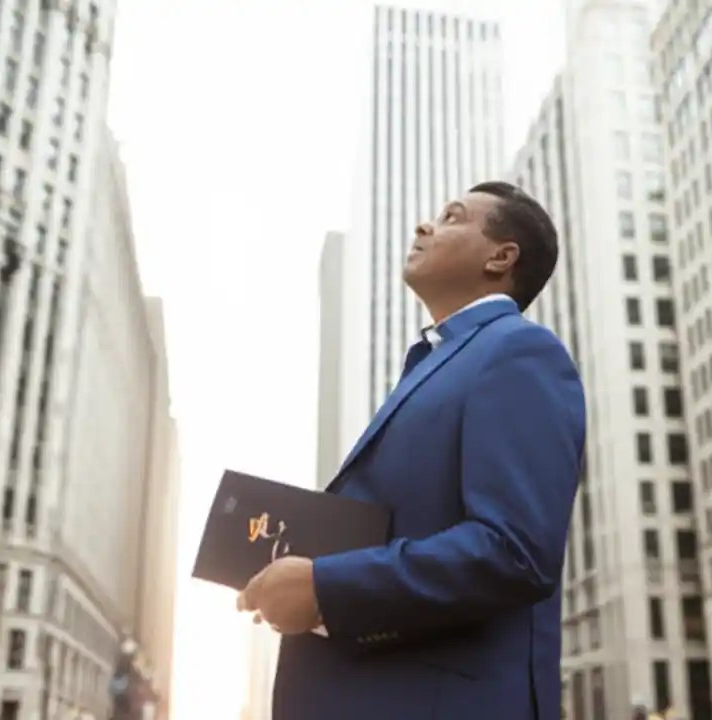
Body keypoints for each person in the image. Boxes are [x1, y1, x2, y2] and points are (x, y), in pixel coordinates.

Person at [237, 181, 586, 719]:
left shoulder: (519, 350)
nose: (425, 226)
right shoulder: (437, 362)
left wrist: (325, 586)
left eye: (451, 217)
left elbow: (513, 550)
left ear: (501, 257)